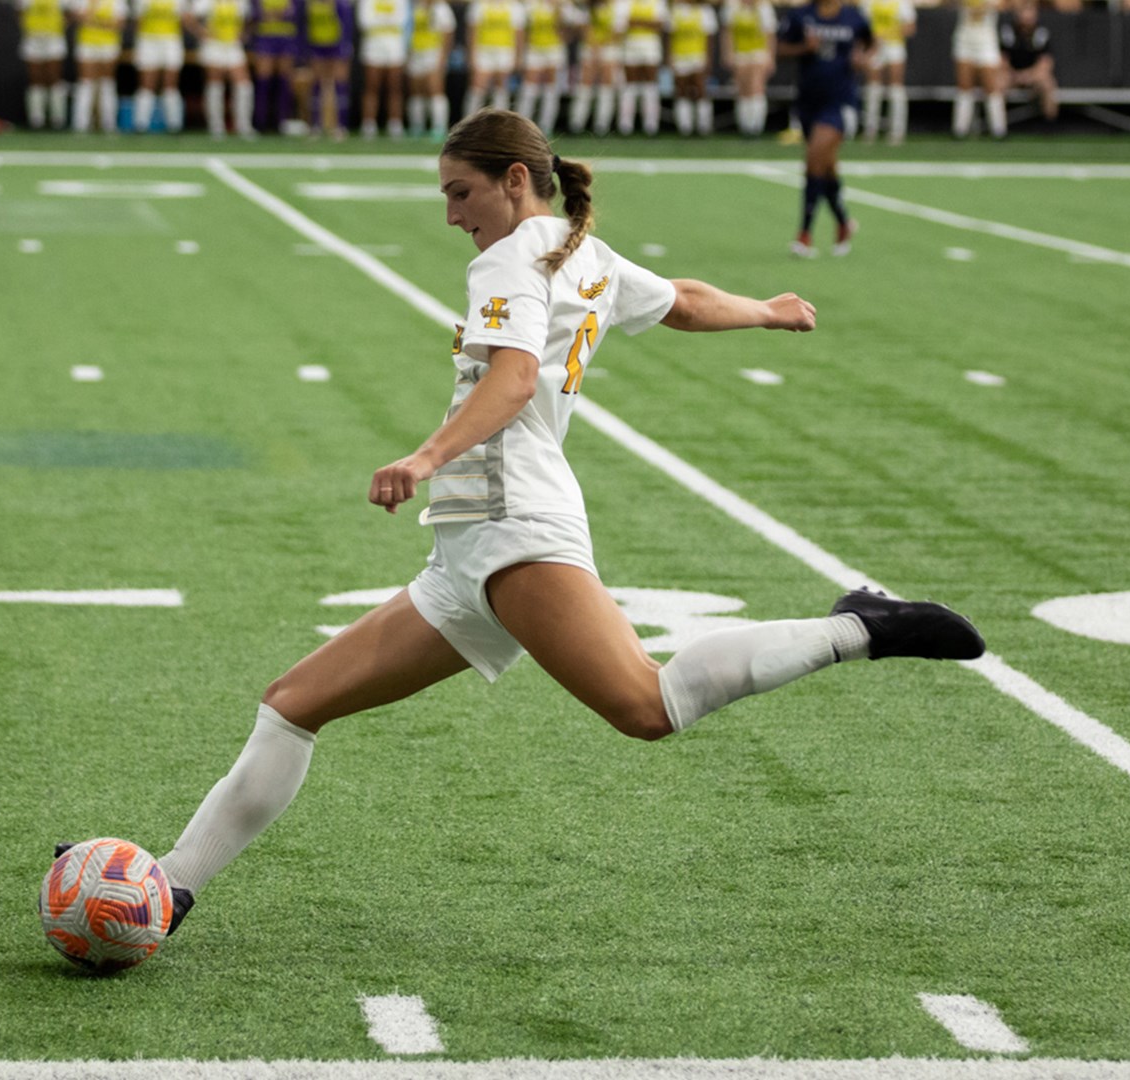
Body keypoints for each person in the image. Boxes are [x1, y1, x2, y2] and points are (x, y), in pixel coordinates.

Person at [137, 108, 985, 938]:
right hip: (469, 541)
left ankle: (857, 625)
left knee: (646, 705)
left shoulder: (508, 261)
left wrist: (425, 458)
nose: (450, 215)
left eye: (460, 192)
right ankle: (170, 887)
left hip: (514, 516)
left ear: (515, 181)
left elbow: (510, 384)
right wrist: (764, 309)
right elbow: (683, 301)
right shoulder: (582, 253)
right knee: (293, 704)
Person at [779, 0, 869, 257]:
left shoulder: (853, 17)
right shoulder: (801, 15)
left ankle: (804, 235)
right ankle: (843, 222)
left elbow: (871, 43)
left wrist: (862, 58)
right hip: (809, 101)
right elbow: (780, 48)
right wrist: (803, 48)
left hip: (840, 101)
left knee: (813, 161)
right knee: (825, 167)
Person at [188, 0, 256, 136]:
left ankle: (243, 125)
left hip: (232, 45)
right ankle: (216, 126)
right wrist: (202, 33)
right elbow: (189, 17)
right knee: (215, 83)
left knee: (244, 85)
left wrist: (244, 33)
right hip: (214, 45)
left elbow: (250, 19)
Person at [70, 0, 129, 132]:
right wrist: (103, 22)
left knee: (107, 82)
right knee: (86, 82)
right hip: (87, 43)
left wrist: (95, 21)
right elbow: (76, 15)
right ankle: (80, 124)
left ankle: (109, 124)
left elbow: (120, 22)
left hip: (108, 45)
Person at [950, 0, 1004, 139]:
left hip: (986, 41)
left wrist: (984, 6)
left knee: (991, 86)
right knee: (964, 86)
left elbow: (1004, 5)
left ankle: (999, 130)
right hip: (965, 40)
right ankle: (959, 130)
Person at [720, 0, 775, 136]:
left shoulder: (764, 8)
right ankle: (745, 127)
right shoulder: (731, 6)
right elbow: (727, 32)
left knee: (756, 87)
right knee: (742, 90)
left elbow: (770, 34)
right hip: (740, 53)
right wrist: (728, 53)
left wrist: (770, 57)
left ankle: (756, 127)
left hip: (758, 53)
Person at [859, 0, 911, 143]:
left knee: (896, 88)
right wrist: (872, 39)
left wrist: (887, 34)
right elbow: (862, 26)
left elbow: (910, 27)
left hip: (895, 46)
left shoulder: (902, 3)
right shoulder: (868, 3)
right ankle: (870, 131)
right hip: (874, 47)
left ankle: (897, 132)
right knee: (873, 88)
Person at [518, 0, 573, 134]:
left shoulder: (563, 5)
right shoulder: (530, 5)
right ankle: (522, 125)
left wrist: (559, 12)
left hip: (554, 50)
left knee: (551, 88)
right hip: (533, 49)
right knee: (529, 87)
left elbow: (571, 29)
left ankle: (546, 125)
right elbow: (523, 27)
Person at [613, 0, 668, 134]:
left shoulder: (658, 2)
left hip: (651, 47)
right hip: (630, 46)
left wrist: (635, 22)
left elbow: (660, 24)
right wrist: (647, 23)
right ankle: (625, 126)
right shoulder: (624, 2)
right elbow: (620, 25)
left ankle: (651, 126)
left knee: (650, 85)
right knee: (629, 85)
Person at [357, 0, 410, 137]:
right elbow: (365, 21)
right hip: (373, 46)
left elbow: (402, 20)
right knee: (371, 86)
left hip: (395, 47)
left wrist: (380, 20)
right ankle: (368, 124)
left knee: (395, 87)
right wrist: (387, 20)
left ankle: (395, 124)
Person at [133, 0, 188, 131]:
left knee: (171, 84)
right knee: (147, 84)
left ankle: (174, 124)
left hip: (171, 41)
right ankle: (140, 124)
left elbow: (184, 19)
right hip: (148, 40)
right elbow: (138, 21)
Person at [567, 0, 620, 134]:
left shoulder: (618, 6)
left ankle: (602, 126)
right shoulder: (586, 7)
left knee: (606, 86)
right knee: (585, 85)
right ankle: (576, 124)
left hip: (610, 48)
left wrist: (602, 47)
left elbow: (618, 31)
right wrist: (594, 47)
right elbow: (584, 29)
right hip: (589, 49)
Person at [249, 0, 302, 132]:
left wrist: (273, 15)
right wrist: (275, 14)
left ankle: (282, 121)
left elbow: (293, 11)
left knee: (284, 79)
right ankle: (260, 122)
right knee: (263, 78)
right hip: (265, 37)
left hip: (286, 37)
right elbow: (257, 13)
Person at [302, 0, 353, 136]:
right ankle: (315, 125)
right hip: (317, 45)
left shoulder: (341, 4)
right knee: (317, 84)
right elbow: (305, 24)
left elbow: (346, 26)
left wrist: (345, 48)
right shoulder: (309, 4)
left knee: (340, 84)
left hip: (336, 45)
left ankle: (341, 125)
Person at [406, 0, 457, 135]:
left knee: (435, 89)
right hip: (416, 51)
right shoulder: (414, 6)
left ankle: (439, 127)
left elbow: (448, 33)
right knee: (416, 90)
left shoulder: (441, 8)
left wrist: (443, 57)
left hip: (433, 52)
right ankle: (417, 126)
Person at [999, 0, 1055, 123]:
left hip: (1032, 75)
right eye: (1023, 11)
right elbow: (1003, 61)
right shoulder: (1008, 31)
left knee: (1047, 82)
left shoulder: (1041, 33)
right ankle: (999, 125)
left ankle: (1050, 125)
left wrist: (1028, 76)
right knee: (999, 82)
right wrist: (1015, 75)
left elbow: (1045, 64)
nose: (1027, 16)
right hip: (1012, 74)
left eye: (1030, 11)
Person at [464, 0, 524, 115]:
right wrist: (471, 55)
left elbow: (519, 33)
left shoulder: (515, 6)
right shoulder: (478, 5)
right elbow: (472, 32)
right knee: (477, 86)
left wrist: (518, 56)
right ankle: (469, 122)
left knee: (501, 87)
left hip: (505, 51)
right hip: (483, 51)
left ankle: (500, 123)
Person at [19, 0, 71, 129]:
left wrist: (56, 26)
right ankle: (36, 119)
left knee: (54, 77)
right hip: (33, 37)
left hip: (54, 37)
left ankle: (57, 119)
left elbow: (68, 13)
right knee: (35, 78)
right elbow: (20, 13)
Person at [667, 0, 716, 135]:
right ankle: (685, 127)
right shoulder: (675, 11)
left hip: (698, 56)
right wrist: (670, 57)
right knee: (681, 89)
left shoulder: (706, 11)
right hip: (679, 56)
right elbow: (671, 36)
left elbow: (709, 39)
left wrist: (708, 59)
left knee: (700, 89)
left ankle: (703, 126)